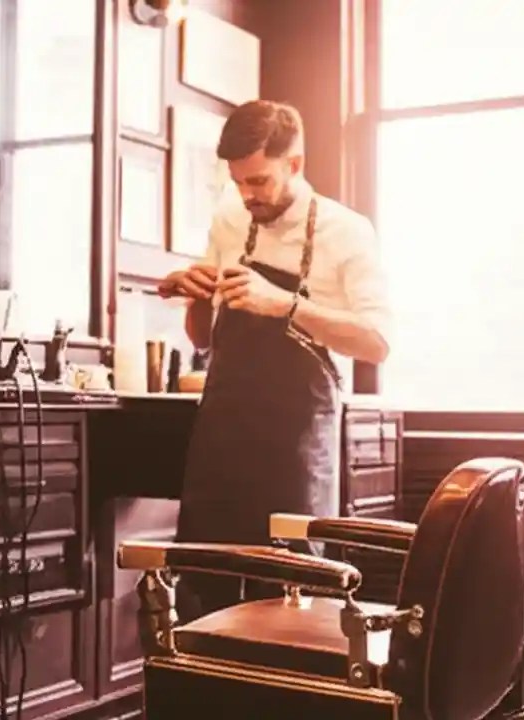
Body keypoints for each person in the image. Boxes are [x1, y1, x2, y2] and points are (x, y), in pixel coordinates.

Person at [158, 100, 392, 619]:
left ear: (295, 164)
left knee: (292, 594)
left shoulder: (346, 230)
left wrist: (285, 303)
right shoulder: (229, 219)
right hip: (222, 434)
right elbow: (204, 339)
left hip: (295, 445)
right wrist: (194, 293)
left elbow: (376, 341)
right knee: (205, 582)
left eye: (259, 181)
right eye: (238, 181)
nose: (247, 195)